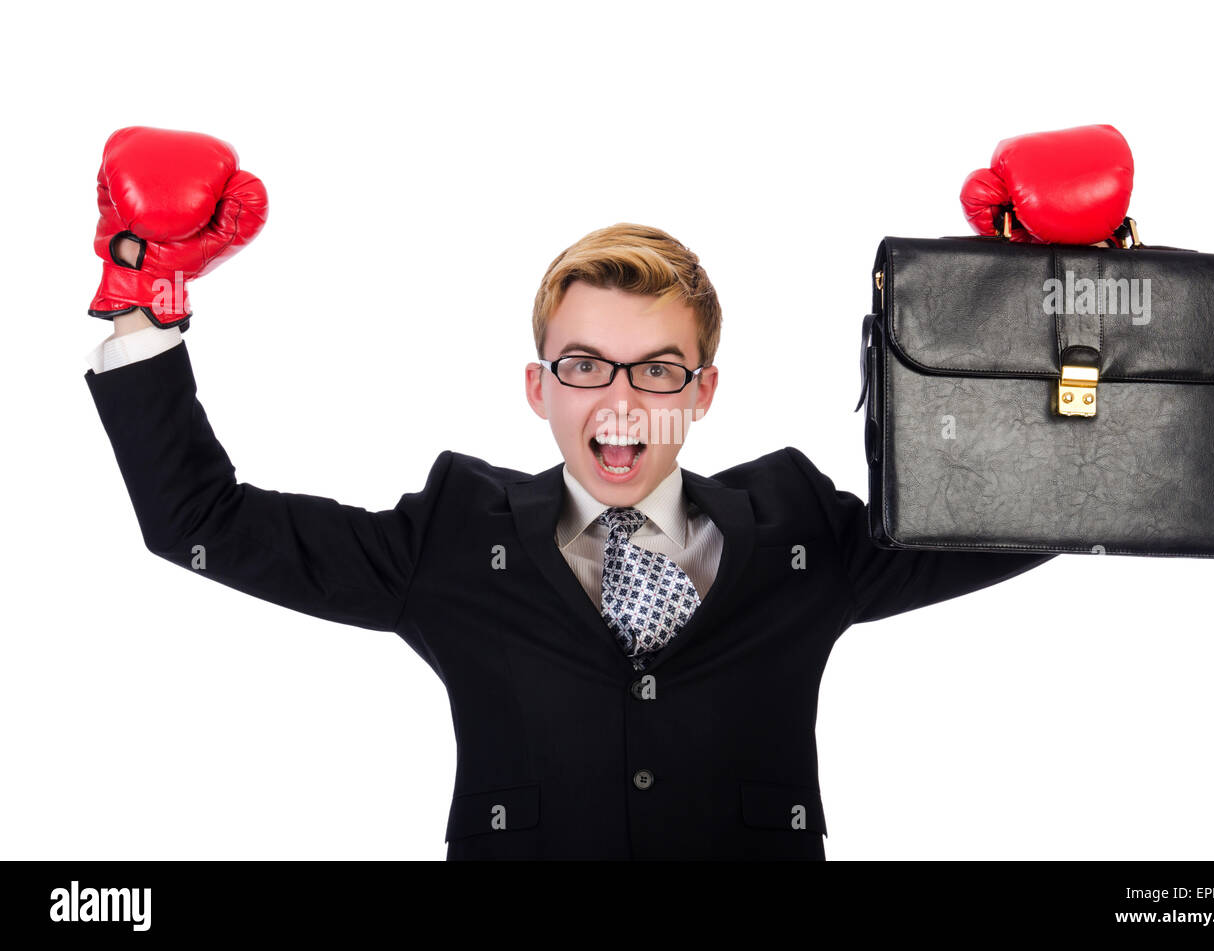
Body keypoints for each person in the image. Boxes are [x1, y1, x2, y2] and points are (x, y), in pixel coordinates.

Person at [85, 130, 1094, 860]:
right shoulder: (447, 538)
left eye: (657, 369)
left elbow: (1051, 508)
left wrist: (1060, 304)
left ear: (702, 393)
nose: (620, 402)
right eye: (584, 366)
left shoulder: (802, 530)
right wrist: (143, 301)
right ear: (537, 388)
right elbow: (200, 524)